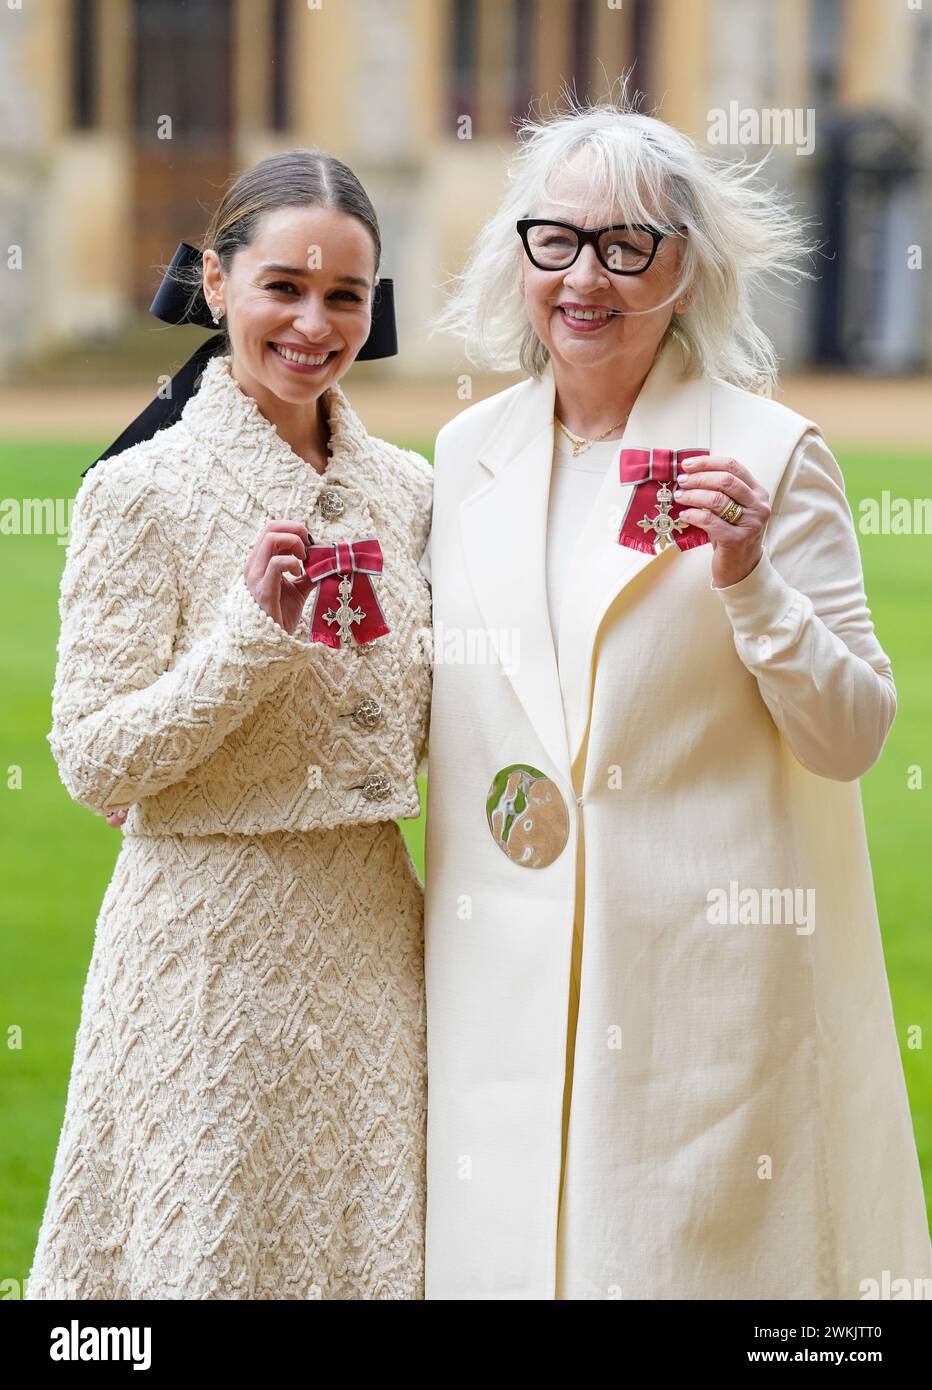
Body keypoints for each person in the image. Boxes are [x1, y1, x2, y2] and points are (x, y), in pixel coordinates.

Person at [418, 93, 932, 1299]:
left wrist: (749, 579)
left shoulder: (771, 454)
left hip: (699, 999)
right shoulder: (462, 454)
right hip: (499, 991)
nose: (584, 277)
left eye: (626, 244)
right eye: (556, 239)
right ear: (518, 253)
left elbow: (851, 732)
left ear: (685, 269)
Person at [25, 148, 433, 1300]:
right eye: (283, 288)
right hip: (203, 953)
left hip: (371, 933)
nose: (314, 323)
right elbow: (93, 756)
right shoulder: (137, 492)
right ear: (216, 283)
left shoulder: (408, 490)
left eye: (344, 296)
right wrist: (251, 635)